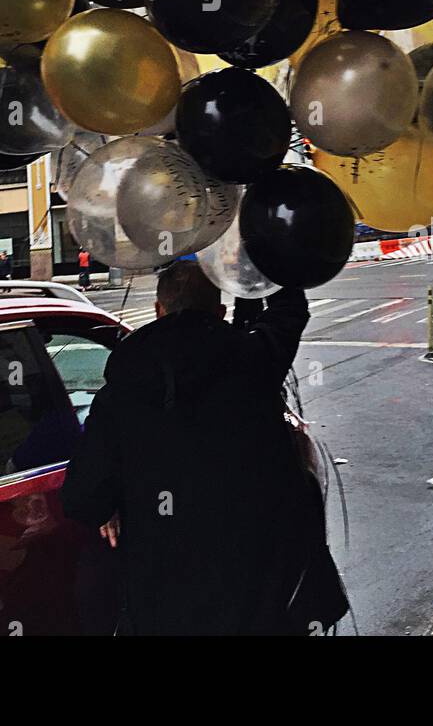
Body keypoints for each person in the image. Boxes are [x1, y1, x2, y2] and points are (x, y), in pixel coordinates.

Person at [61, 260, 348, 636]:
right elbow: (290, 309)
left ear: (157, 311)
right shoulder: (255, 360)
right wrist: (252, 265)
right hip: (262, 598)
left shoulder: (121, 392)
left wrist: (109, 505)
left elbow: (82, 497)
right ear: (220, 311)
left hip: (168, 605)